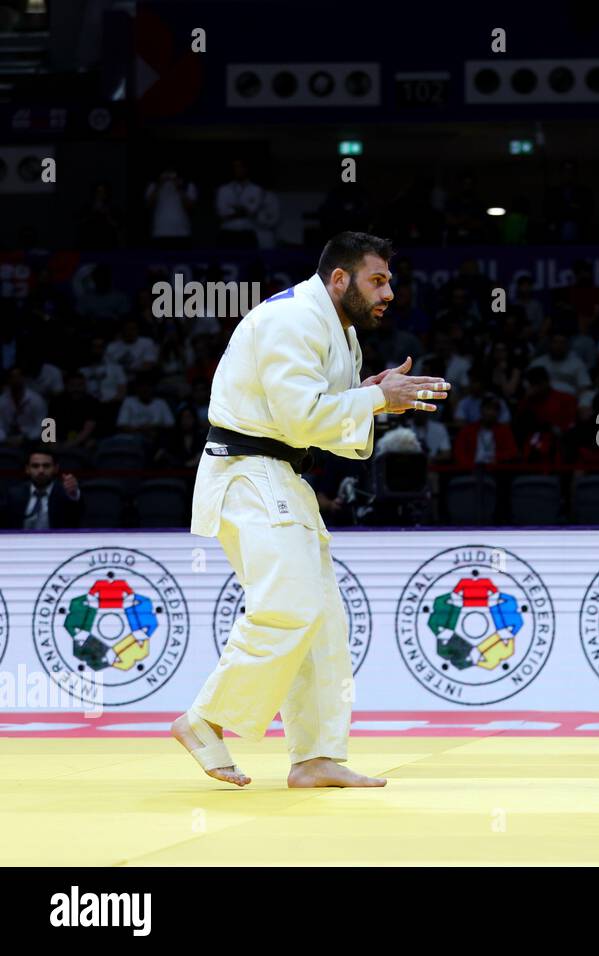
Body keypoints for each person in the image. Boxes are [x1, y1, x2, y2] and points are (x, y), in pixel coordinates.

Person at [171, 232, 450, 789]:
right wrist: (375, 398)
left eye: (389, 280)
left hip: (281, 477)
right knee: (291, 605)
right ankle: (206, 719)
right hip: (248, 473)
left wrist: (370, 392)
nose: (389, 292)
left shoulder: (342, 336)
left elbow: (327, 427)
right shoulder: (292, 321)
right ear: (339, 278)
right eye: (378, 279)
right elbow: (301, 419)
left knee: (323, 622)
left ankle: (315, 756)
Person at [1, 446, 83, 530]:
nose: (41, 470)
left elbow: (76, 515)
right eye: (35, 466)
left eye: (46, 466)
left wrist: (73, 494)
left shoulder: (65, 493)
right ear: (27, 469)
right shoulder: (14, 494)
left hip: (56, 541)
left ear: (55, 468)